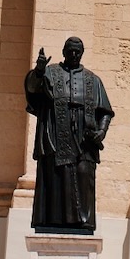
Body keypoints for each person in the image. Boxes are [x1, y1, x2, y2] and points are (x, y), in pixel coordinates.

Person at [24, 36, 114, 233]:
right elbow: (32, 90)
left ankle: (82, 222)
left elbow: (105, 112)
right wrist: (38, 71)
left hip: (85, 138)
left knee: (84, 176)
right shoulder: (50, 73)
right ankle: (54, 222)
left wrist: (101, 131)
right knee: (56, 179)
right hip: (56, 132)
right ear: (64, 52)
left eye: (78, 52)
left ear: (82, 53)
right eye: (70, 51)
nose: (74, 55)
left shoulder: (93, 80)